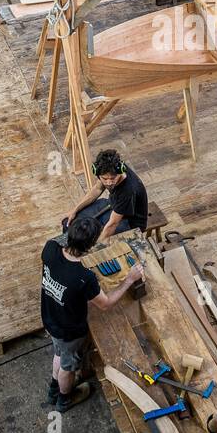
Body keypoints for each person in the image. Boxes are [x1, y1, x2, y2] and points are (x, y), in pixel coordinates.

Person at [40, 216, 145, 411]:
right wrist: (129, 279)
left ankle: (54, 388)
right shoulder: (83, 277)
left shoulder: (50, 249)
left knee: (59, 353)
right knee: (68, 367)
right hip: (70, 331)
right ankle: (64, 398)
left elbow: (62, 253)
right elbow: (105, 304)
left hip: (50, 318)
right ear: (90, 246)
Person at [62, 148, 148, 243]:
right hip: (114, 206)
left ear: (120, 171)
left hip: (130, 222)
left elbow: (113, 224)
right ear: (97, 173)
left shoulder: (127, 191)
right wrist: (75, 210)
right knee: (69, 223)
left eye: (113, 178)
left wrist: (96, 245)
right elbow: (97, 189)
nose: (109, 182)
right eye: (105, 178)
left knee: (88, 240)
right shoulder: (111, 167)